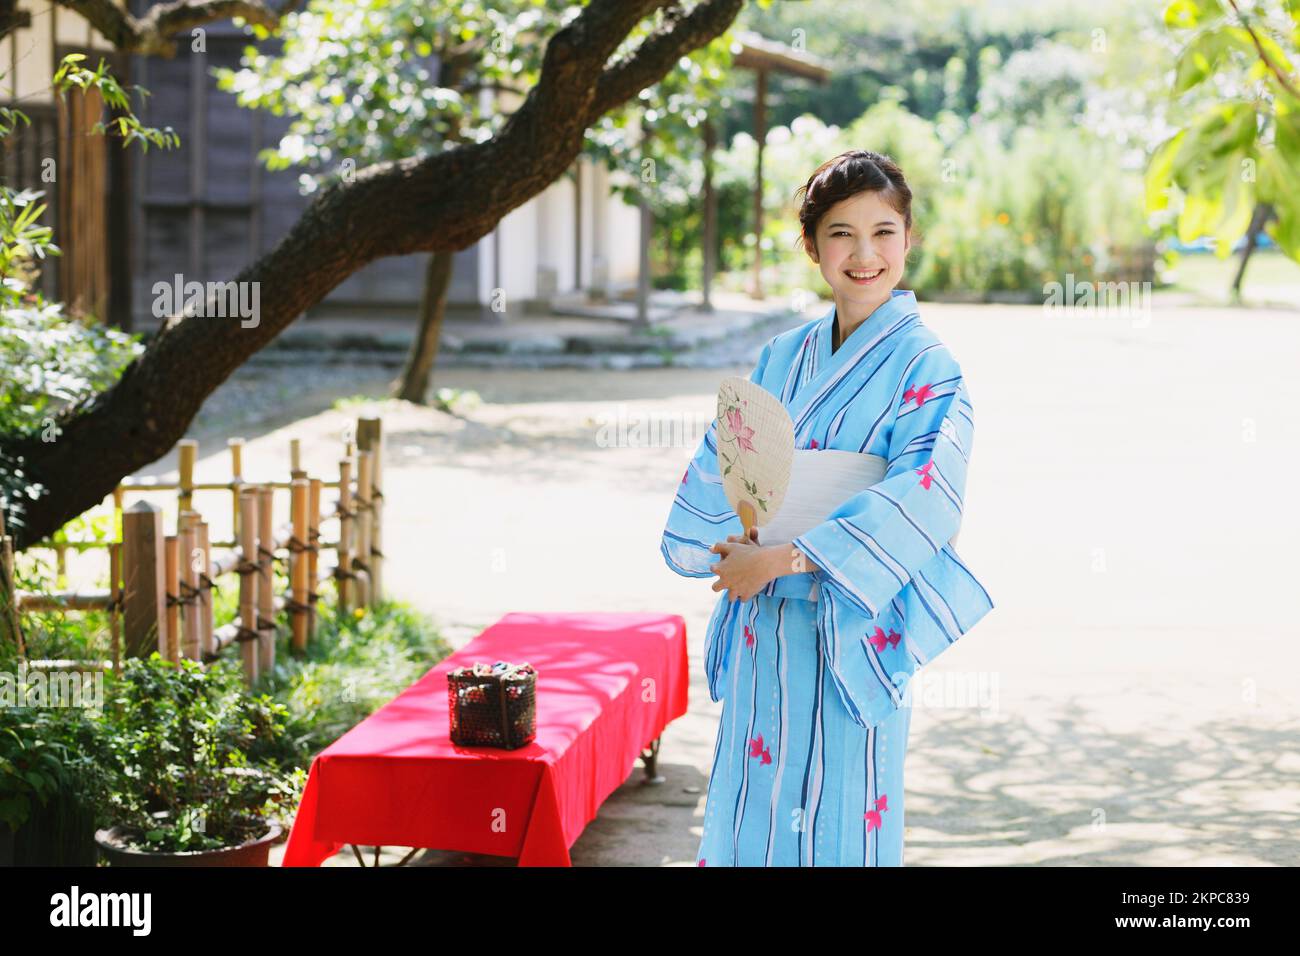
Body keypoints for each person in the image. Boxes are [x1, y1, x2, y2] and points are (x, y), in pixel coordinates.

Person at [660, 149, 994, 866]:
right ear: (812, 247)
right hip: (764, 618)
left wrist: (786, 555)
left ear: (909, 239)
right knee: (754, 803)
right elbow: (726, 464)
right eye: (841, 233)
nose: (864, 253)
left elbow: (926, 498)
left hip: (852, 623)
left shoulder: (929, 366)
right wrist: (739, 542)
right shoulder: (780, 358)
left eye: (884, 231)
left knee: (843, 807)